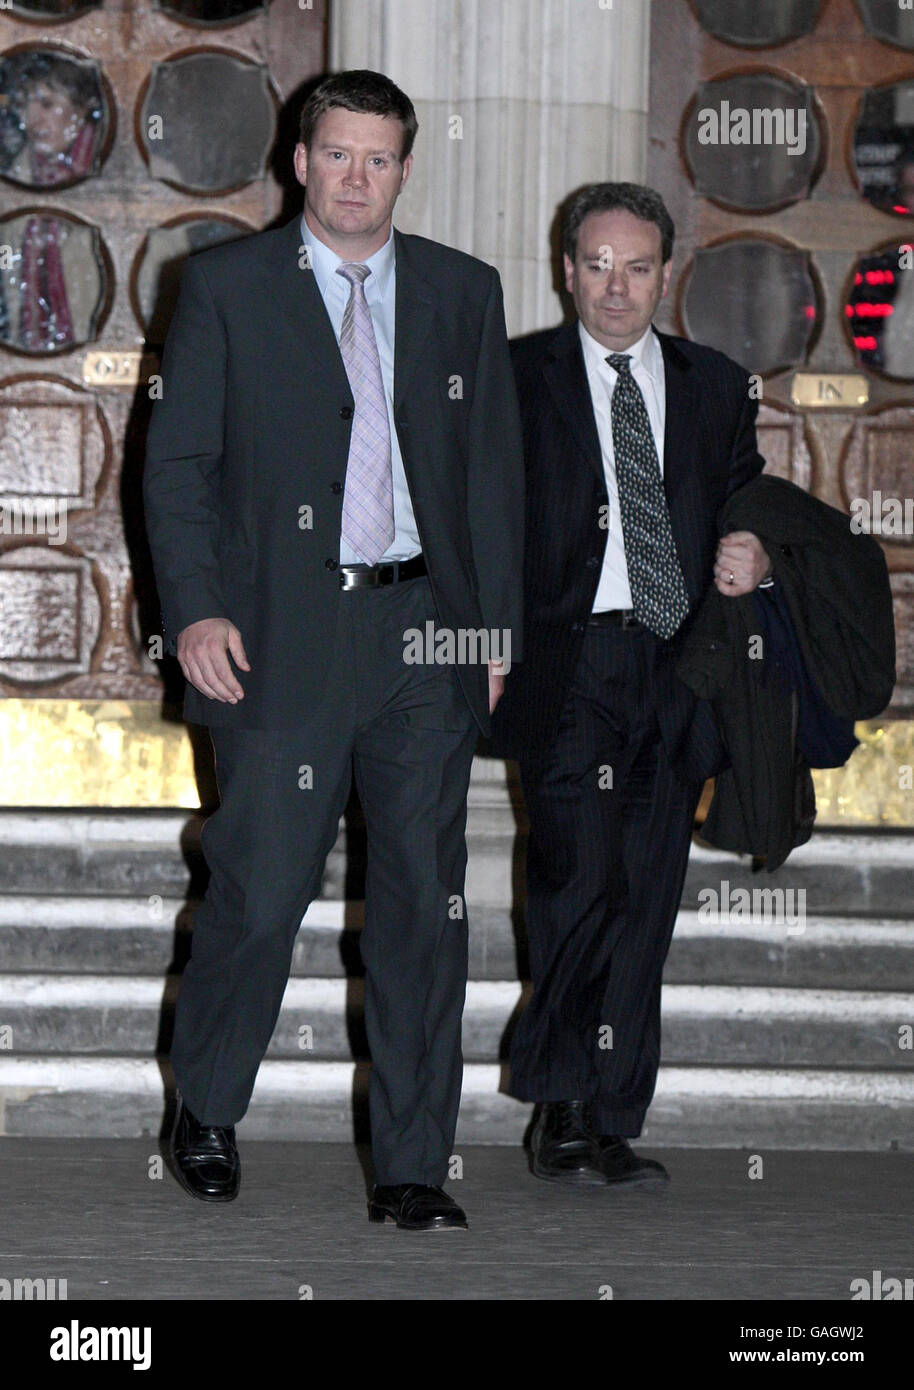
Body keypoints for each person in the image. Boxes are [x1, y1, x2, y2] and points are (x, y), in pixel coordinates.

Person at [143, 69, 524, 1230]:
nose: (358, 178)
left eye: (381, 158)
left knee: (423, 905)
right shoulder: (220, 288)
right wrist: (198, 609)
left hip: (423, 631)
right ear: (298, 162)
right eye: (338, 155)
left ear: (405, 167)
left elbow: (492, 473)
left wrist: (491, 623)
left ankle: (413, 1163)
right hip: (275, 640)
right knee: (258, 896)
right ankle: (204, 1102)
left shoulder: (463, 292)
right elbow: (176, 468)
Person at [489, 182, 770, 1188]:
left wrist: (754, 551)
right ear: (566, 270)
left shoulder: (713, 382)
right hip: (568, 665)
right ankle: (558, 1102)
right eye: (596, 265)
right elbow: (477, 519)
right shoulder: (516, 376)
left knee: (646, 894)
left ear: (665, 273)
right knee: (576, 878)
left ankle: (610, 1112)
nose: (615, 287)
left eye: (636, 266)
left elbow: (748, 500)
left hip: (678, 666)